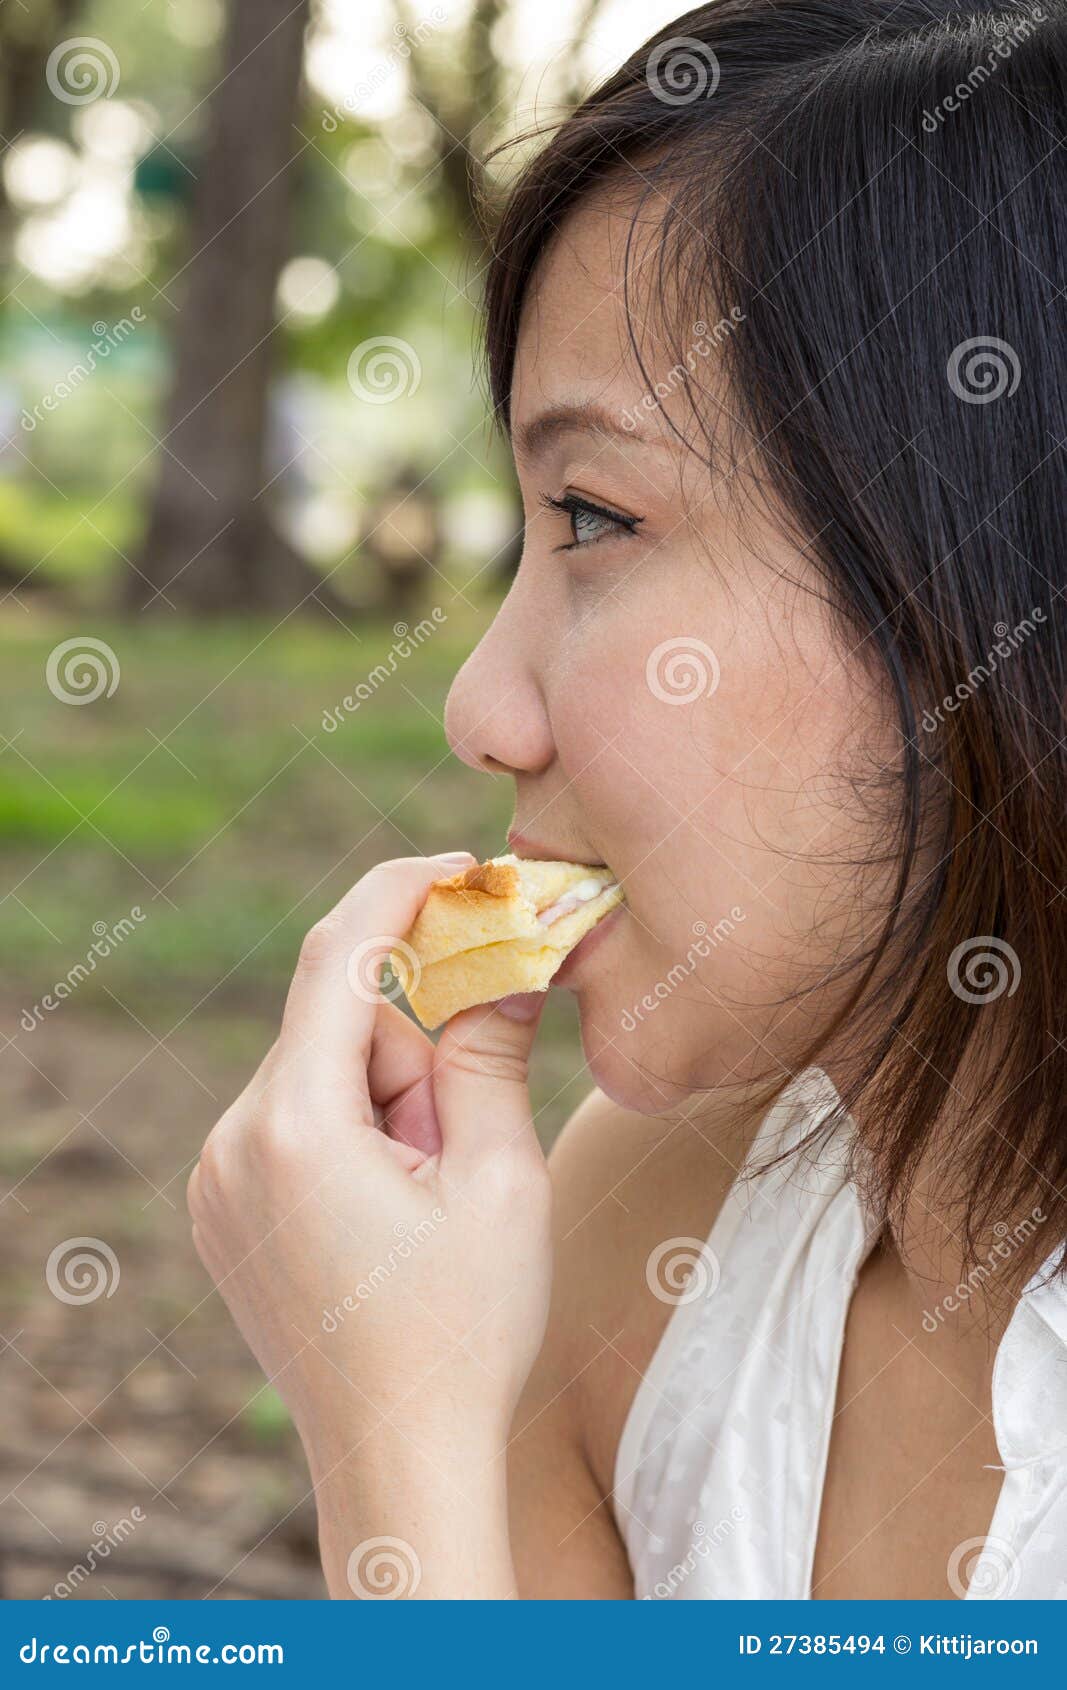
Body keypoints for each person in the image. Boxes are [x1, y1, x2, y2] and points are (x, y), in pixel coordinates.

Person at [187, 0, 1067, 1599]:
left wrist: (400, 1455)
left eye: (594, 515)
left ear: (990, 581)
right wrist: (405, 1417)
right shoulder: (630, 1233)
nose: (479, 708)